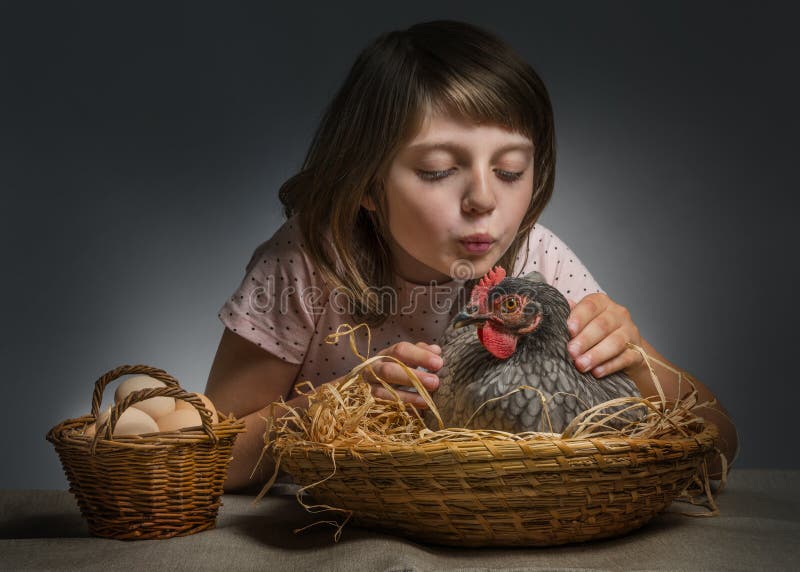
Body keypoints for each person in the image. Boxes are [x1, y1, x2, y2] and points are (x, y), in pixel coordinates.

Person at [205, 20, 739, 494]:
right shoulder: (308, 262)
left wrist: (635, 354)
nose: (484, 198)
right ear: (365, 183)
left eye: (509, 170)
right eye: (438, 170)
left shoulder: (536, 261)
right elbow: (206, 460)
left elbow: (719, 449)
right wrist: (324, 411)